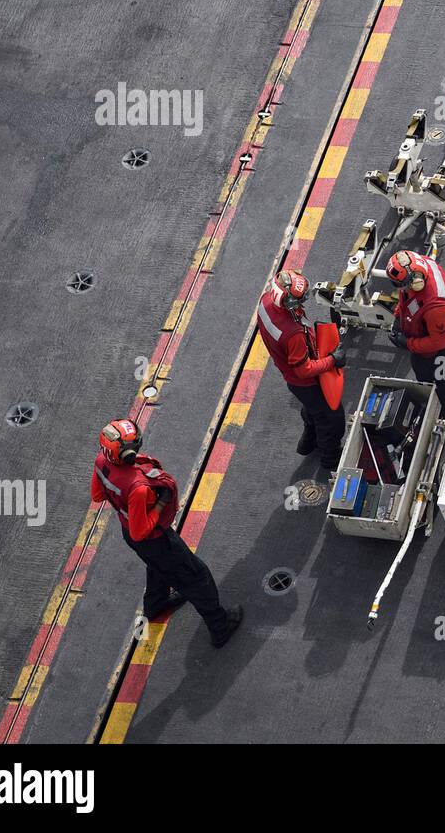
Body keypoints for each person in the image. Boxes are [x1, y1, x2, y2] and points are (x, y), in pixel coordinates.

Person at [92, 418, 242, 647]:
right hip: (154, 539)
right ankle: (220, 626)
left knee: (157, 566)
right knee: (197, 577)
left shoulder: (101, 461)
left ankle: (156, 604)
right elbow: (141, 531)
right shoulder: (139, 488)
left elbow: (98, 495)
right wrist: (161, 504)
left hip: (129, 533)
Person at [256, 269, 347, 471]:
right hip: (306, 382)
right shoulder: (293, 333)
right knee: (331, 419)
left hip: (292, 378)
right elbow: (304, 370)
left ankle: (308, 442)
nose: (303, 301)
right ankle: (330, 459)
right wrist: (333, 360)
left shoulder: (266, 303)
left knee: (312, 409)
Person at [386, 250, 445, 419]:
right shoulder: (420, 267)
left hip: (437, 351)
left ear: (413, 281)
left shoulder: (435, 308)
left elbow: (440, 341)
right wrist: (398, 316)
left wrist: (408, 343)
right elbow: (407, 297)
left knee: (441, 383)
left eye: (398, 284)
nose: (399, 289)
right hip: (434, 343)